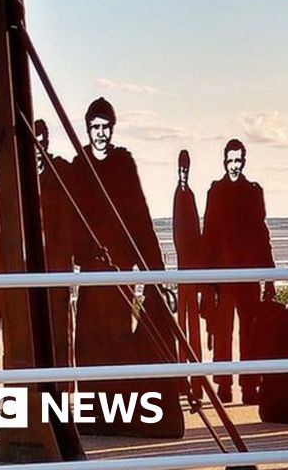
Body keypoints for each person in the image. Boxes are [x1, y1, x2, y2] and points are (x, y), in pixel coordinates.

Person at [69, 97, 183, 437]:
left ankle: (117, 411)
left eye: (105, 127)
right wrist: (81, 252)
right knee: (88, 341)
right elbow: (72, 218)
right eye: (94, 128)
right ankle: (93, 413)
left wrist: (155, 270)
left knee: (116, 338)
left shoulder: (123, 164)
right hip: (93, 268)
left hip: (118, 268)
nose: (100, 133)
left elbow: (139, 215)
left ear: (112, 129)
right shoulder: (79, 166)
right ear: (87, 129)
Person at [200, 138, 275, 404]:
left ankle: (249, 384)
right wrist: (206, 280)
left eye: (238, 160)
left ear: (244, 161)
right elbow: (208, 233)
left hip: (248, 273)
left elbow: (261, 232)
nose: (234, 165)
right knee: (222, 332)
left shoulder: (253, 191)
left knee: (249, 332)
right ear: (225, 161)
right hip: (222, 274)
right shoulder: (215, 192)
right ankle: (224, 383)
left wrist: (269, 275)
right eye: (230, 160)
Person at [34, 119, 76, 375]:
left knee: (60, 326)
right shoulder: (17, 174)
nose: (37, 145)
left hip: (57, 264)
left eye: (40, 140)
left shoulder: (59, 171)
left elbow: (68, 218)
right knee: (34, 325)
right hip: (29, 267)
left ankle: (63, 385)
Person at [172, 149, 209, 397]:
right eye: (181, 169)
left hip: (190, 271)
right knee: (183, 328)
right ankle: (186, 382)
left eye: (186, 169)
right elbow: (181, 233)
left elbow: (191, 234)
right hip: (184, 271)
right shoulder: (181, 195)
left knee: (191, 329)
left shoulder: (188, 195)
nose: (184, 173)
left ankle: (194, 383)